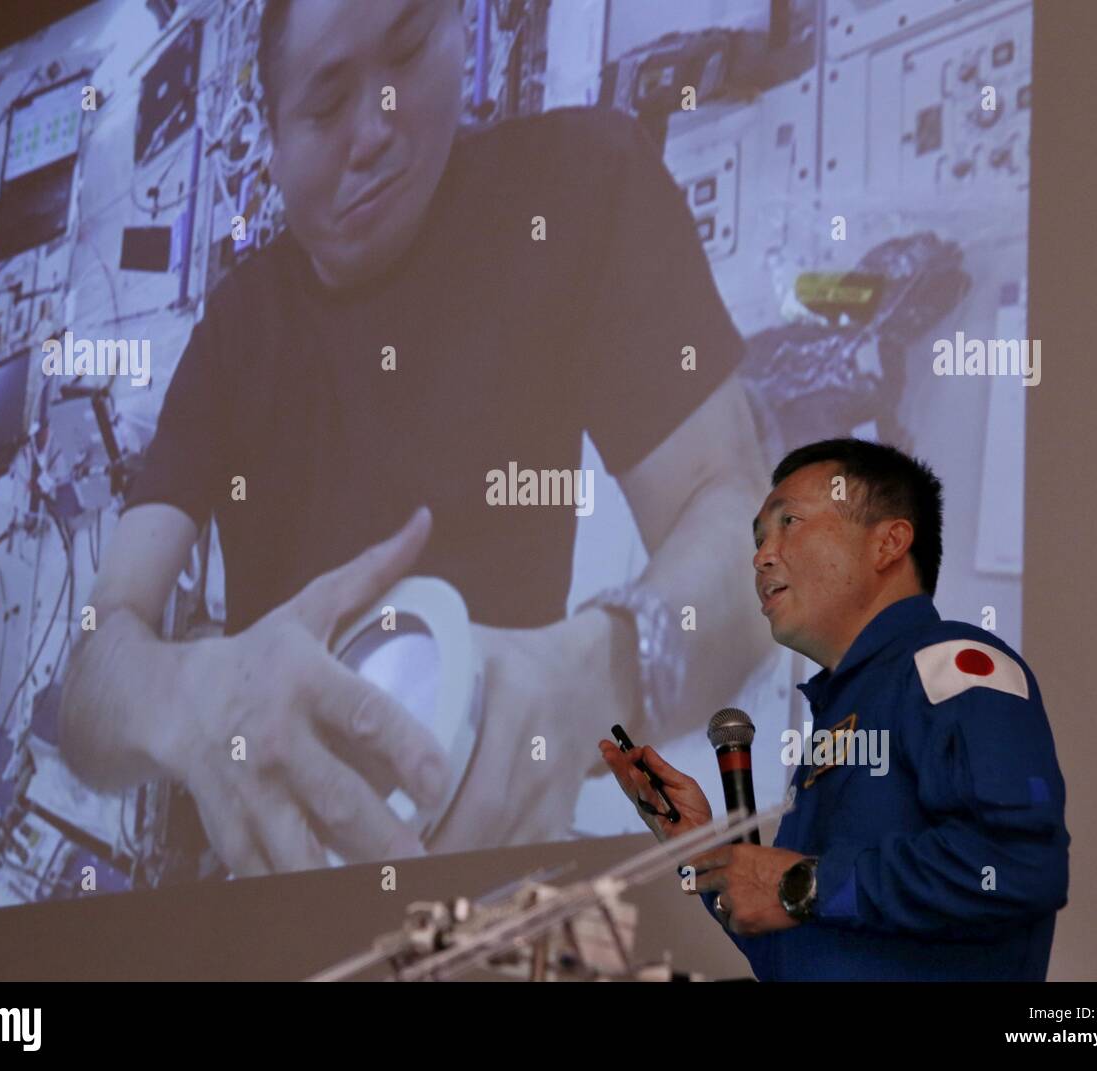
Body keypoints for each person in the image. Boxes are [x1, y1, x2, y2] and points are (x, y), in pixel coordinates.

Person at [58, 0, 774, 876]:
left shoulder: (580, 187)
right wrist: (192, 700)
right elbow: (95, 667)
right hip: (275, 889)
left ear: (458, 32)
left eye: (407, 52)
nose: (377, 131)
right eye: (325, 108)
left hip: (485, 880)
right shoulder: (235, 327)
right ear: (271, 142)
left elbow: (744, 533)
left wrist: (591, 677)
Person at [600, 438, 1070, 980]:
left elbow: (1019, 867)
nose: (761, 556)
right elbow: (793, 957)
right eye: (757, 538)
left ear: (888, 543)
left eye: (790, 522)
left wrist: (803, 883)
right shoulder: (839, 708)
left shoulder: (952, 666)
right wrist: (702, 851)